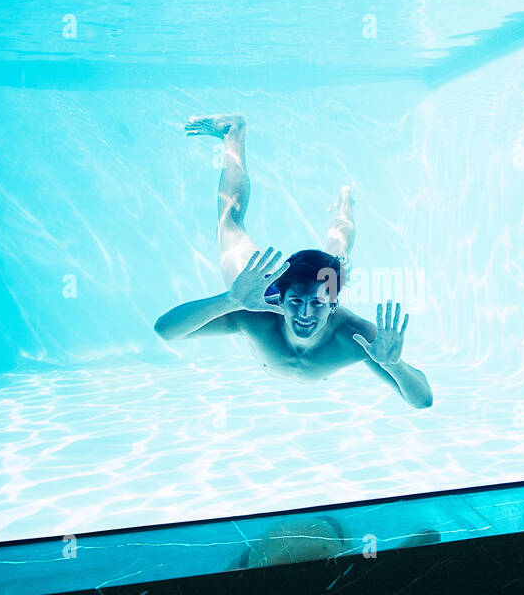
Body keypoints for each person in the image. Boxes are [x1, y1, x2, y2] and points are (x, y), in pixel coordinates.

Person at [154, 114, 433, 409]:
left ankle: (346, 204)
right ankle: (234, 131)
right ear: (281, 297)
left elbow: (422, 401)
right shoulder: (254, 315)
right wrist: (231, 299)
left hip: (320, 289)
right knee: (230, 222)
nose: (305, 313)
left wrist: (396, 365)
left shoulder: (356, 338)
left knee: (338, 259)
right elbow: (166, 331)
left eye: (318, 303)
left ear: (334, 304)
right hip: (256, 292)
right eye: (296, 301)